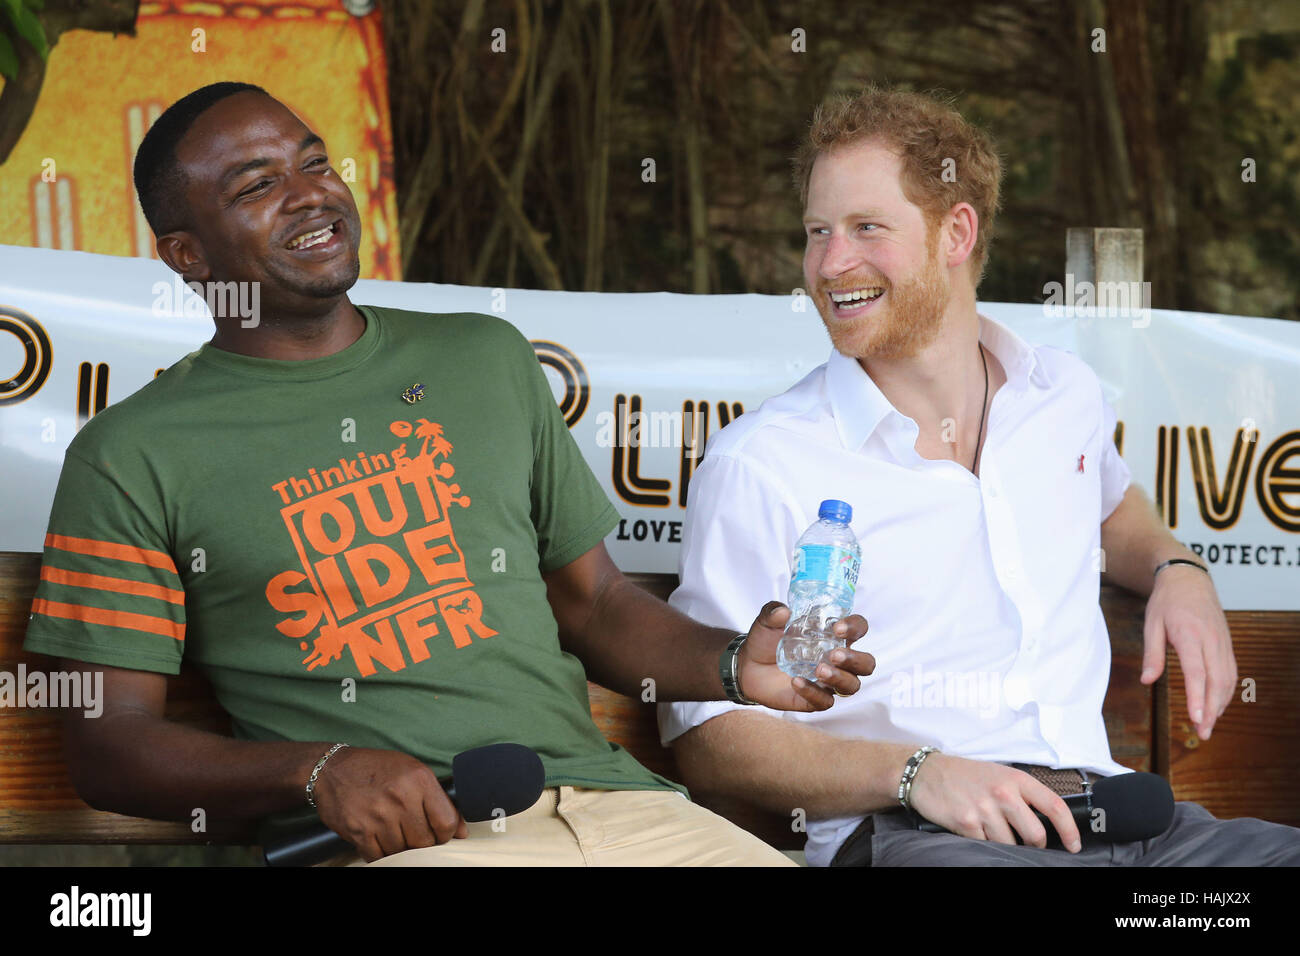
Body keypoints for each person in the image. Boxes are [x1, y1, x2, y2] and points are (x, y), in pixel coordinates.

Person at [21, 82, 874, 867]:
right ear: (187, 255)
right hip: (426, 843)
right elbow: (111, 744)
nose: (311, 192)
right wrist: (317, 772)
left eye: (315, 162)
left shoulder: (482, 357)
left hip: (632, 814)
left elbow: (597, 604)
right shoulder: (133, 454)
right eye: (256, 185)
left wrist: (734, 665)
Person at [658, 86, 1300, 867]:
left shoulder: (1061, 395)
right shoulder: (761, 462)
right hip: (925, 839)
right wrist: (915, 774)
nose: (830, 265)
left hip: (1123, 822)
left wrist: (1177, 566)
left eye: (866, 228)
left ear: (955, 232)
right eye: (817, 232)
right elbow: (708, 736)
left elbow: (1114, 509)